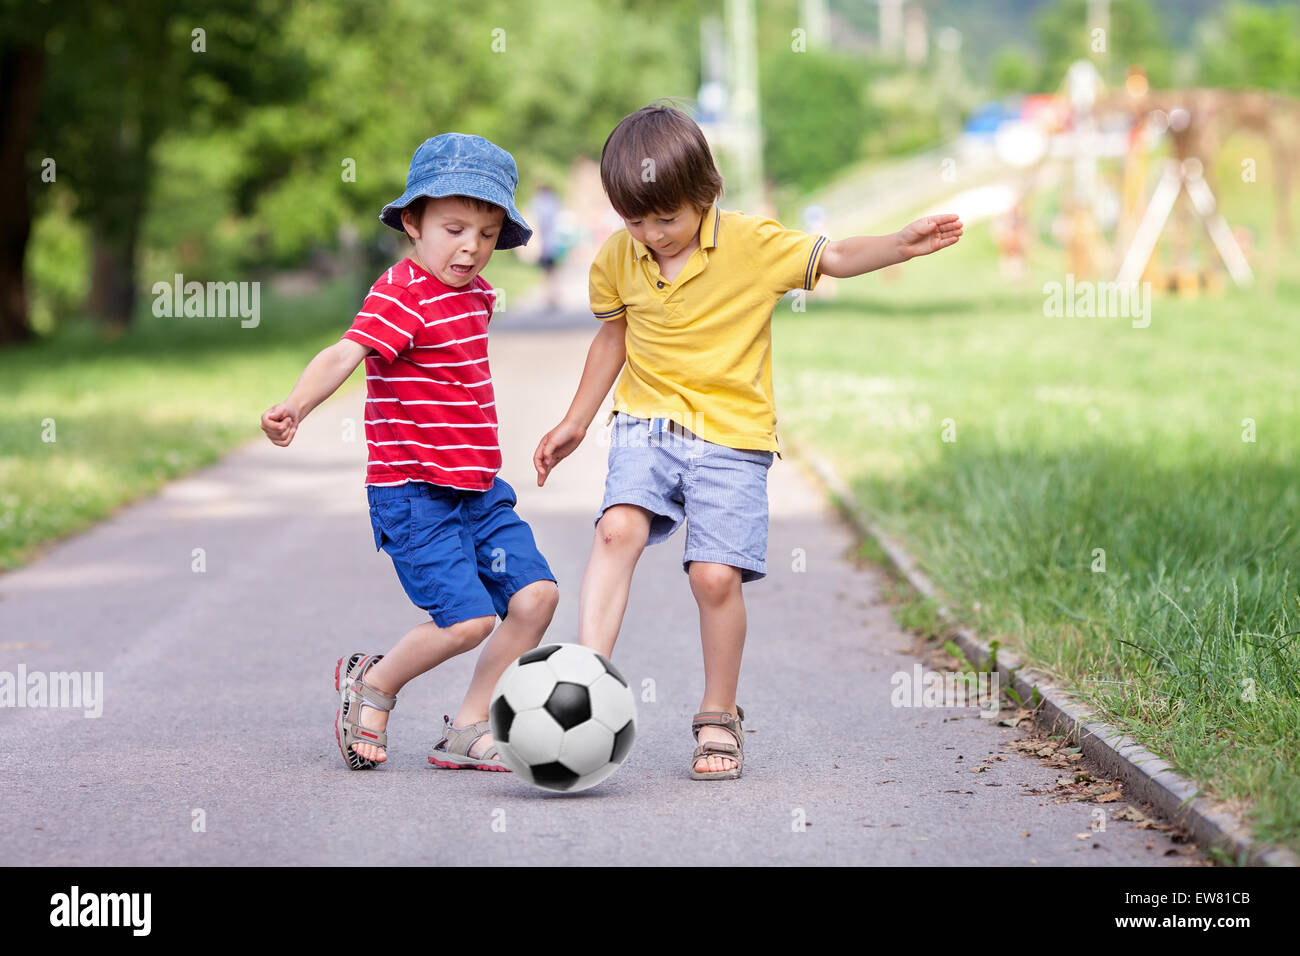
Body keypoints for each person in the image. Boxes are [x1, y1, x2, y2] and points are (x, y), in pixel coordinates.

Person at [533, 103, 961, 780]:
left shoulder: (752, 243)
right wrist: (576, 421)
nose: (651, 235)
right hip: (647, 423)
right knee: (616, 530)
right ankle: (586, 683)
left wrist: (899, 244)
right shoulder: (618, 256)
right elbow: (613, 338)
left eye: (665, 218)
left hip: (732, 436)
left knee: (714, 577)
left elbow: (835, 255)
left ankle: (718, 712)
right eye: (635, 220)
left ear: (706, 193)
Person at [261, 133, 560, 772]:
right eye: (454, 229)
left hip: (479, 489)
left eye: (487, 233)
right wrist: (296, 405)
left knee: (536, 597)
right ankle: (373, 686)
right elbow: (346, 352)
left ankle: (470, 726)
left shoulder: (477, 296)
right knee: (466, 621)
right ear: (413, 224)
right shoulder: (401, 292)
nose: (471, 247)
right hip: (415, 492)